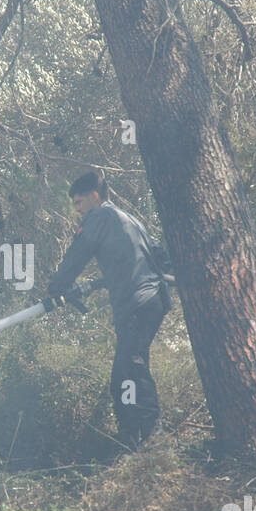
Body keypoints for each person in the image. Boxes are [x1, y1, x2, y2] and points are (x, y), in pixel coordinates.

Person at [46, 169, 172, 450]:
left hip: (137, 303)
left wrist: (57, 286)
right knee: (123, 375)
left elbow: (79, 252)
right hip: (153, 299)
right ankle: (130, 439)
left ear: (93, 196)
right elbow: (159, 257)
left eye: (79, 203)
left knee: (133, 367)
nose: (78, 211)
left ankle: (154, 437)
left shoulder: (100, 216)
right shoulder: (128, 218)